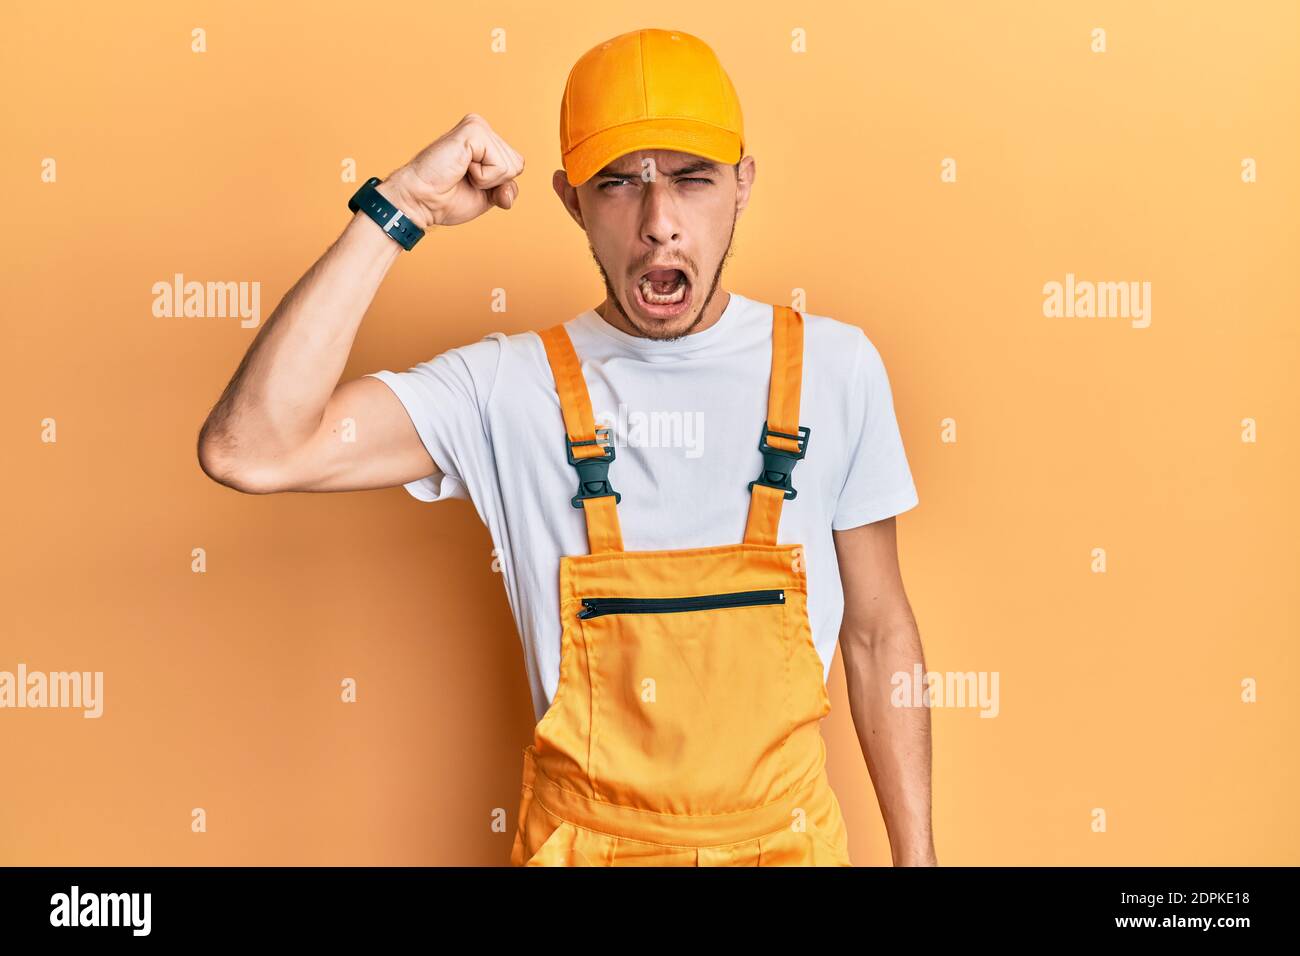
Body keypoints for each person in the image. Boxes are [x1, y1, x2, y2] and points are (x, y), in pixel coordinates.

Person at [197, 27, 936, 867]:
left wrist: (919, 861)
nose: (660, 224)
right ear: (570, 199)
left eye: (692, 179)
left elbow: (879, 635)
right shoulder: (504, 390)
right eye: (619, 184)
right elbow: (248, 449)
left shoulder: (837, 369)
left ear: (743, 183)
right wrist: (400, 206)